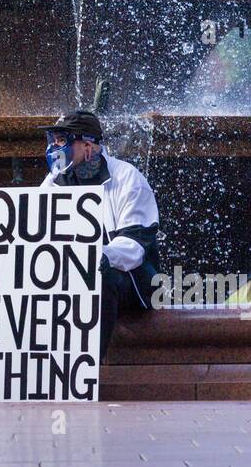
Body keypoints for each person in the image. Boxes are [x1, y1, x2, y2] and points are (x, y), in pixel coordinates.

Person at [39, 110, 161, 360]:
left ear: (88, 145)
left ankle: (87, 369)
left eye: (62, 140)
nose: (54, 147)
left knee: (100, 277)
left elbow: (135, 246)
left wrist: (100, 256)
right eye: (53, 140)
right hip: (70, 274)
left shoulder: (127, 178)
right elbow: (32, 235)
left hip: (131, 281)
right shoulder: (53, 181)